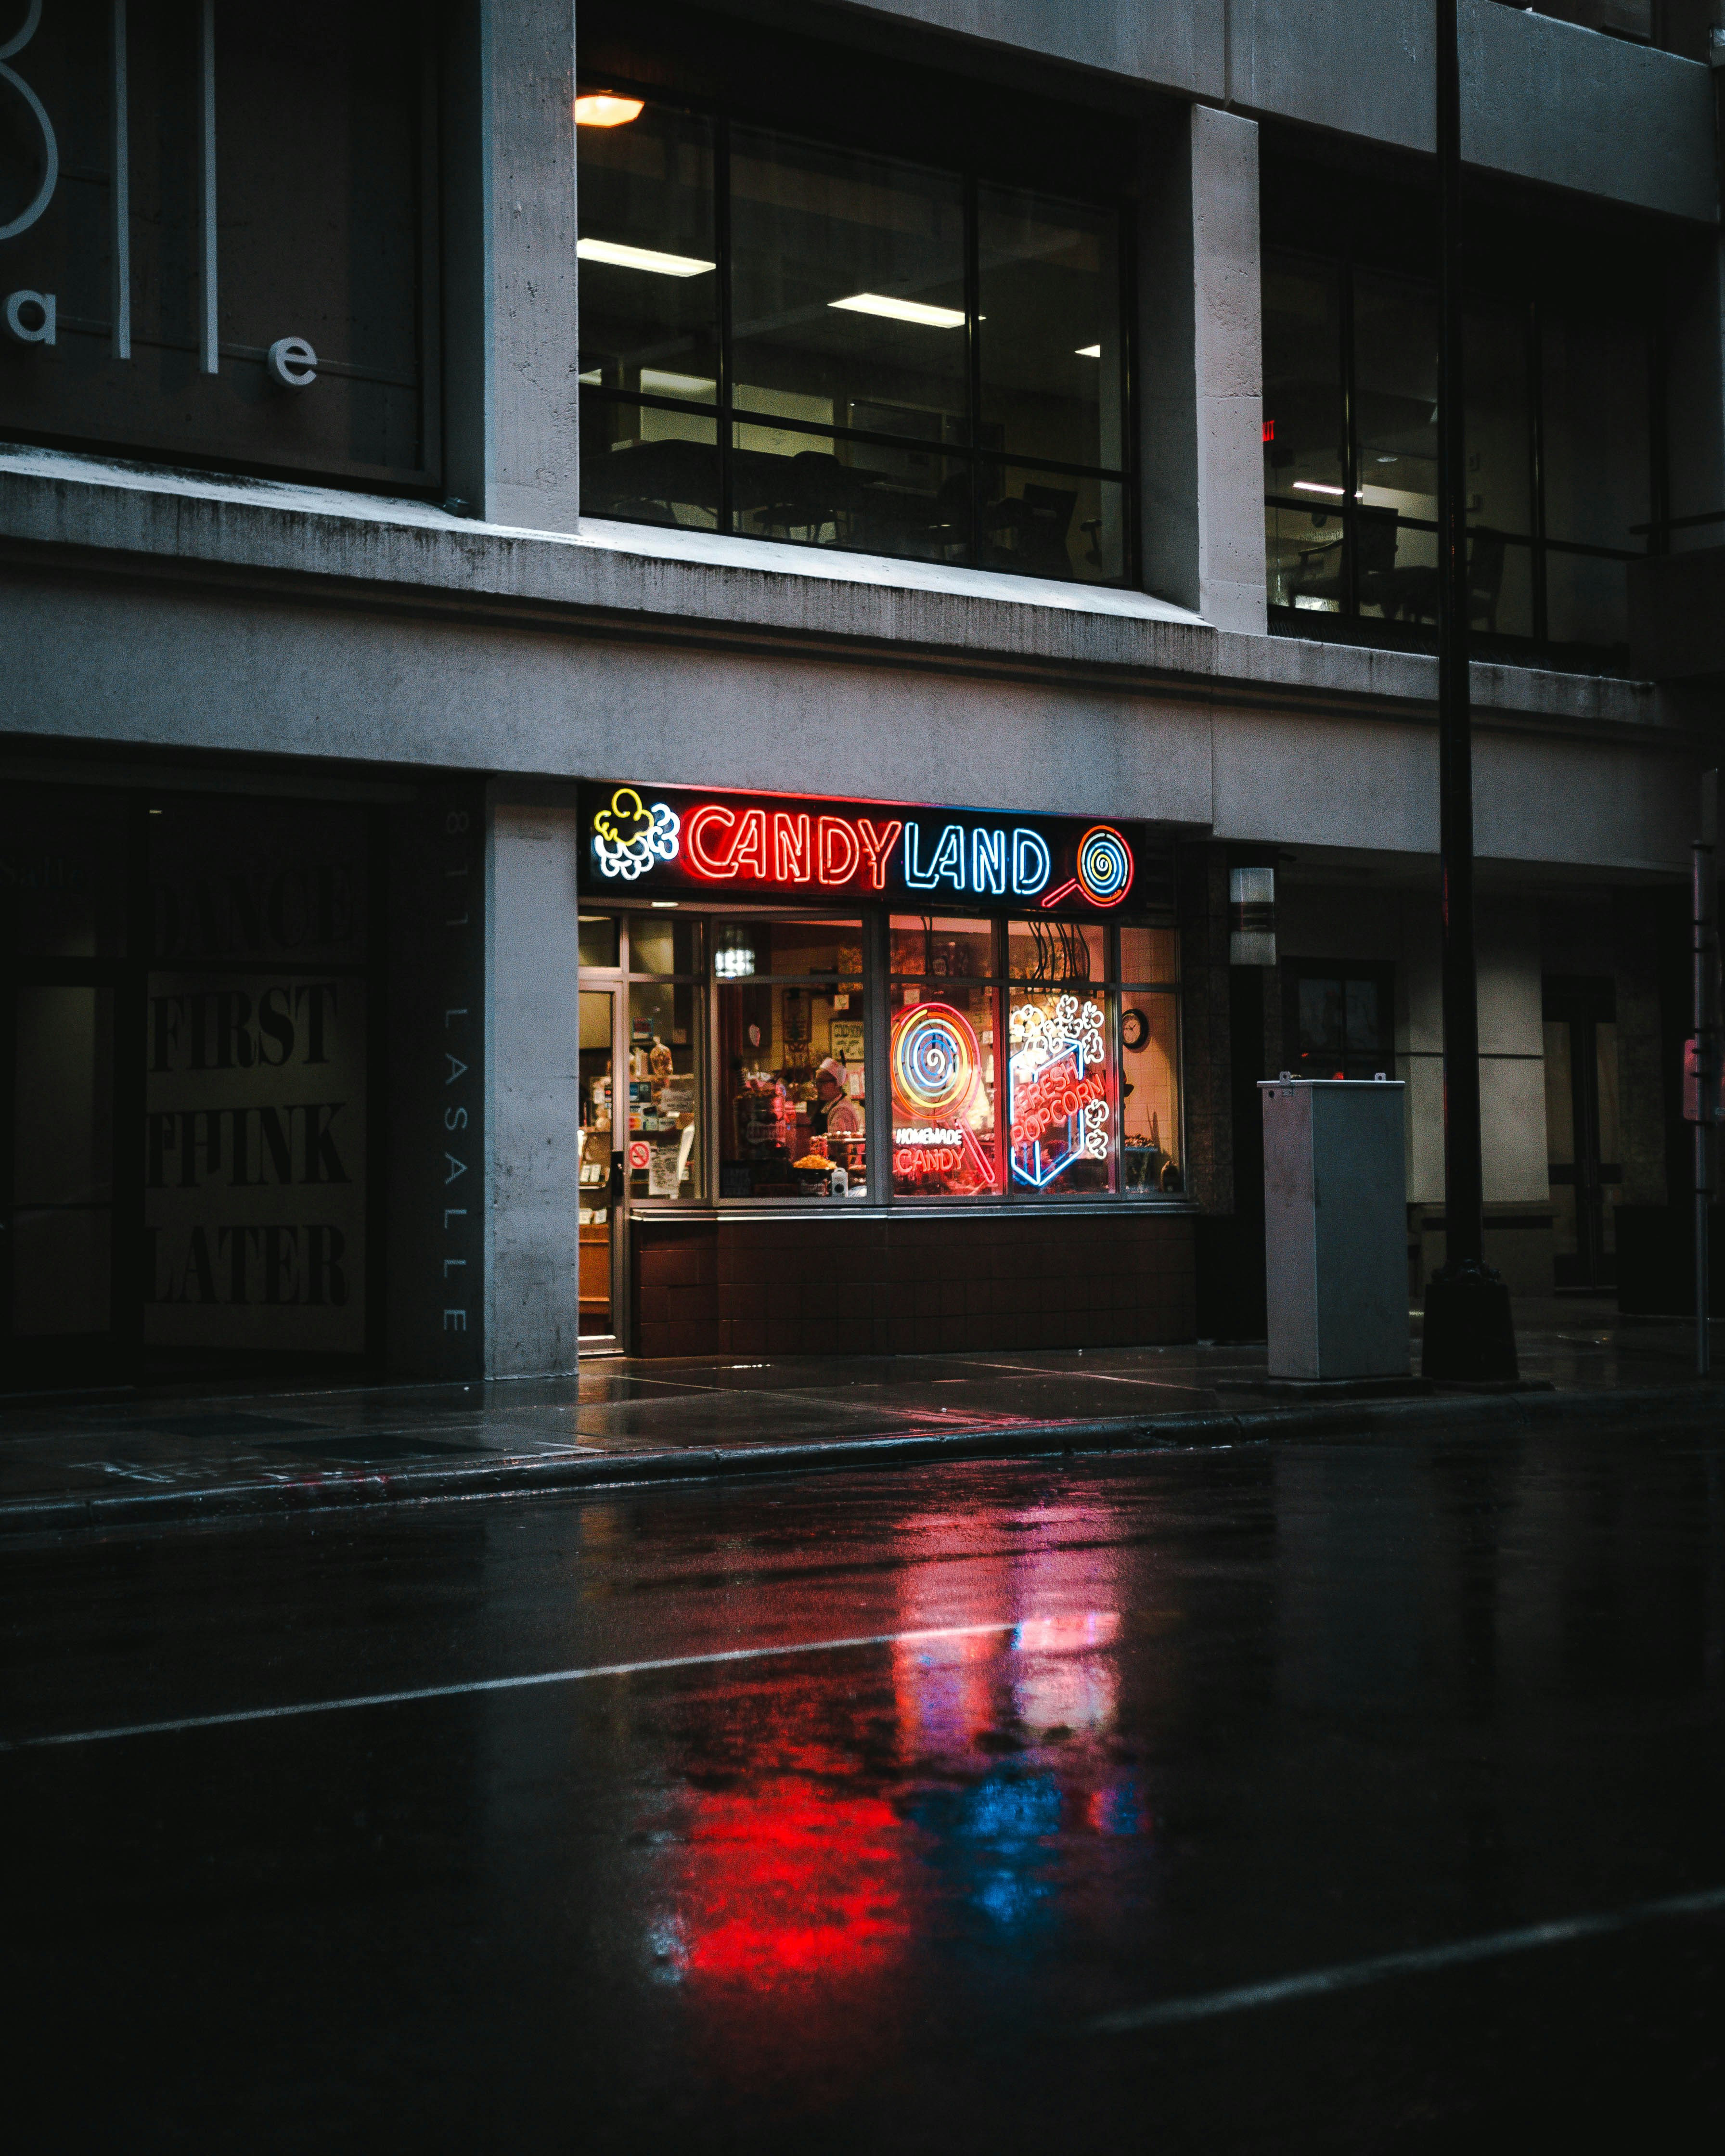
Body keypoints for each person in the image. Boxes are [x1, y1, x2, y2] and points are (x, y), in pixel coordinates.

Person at [811, 1056, 862, 1141]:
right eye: (816, 1083)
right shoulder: (829, 1105)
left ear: (836, 1083)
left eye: (822, 1082)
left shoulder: (842, 1110)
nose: (817, 1087)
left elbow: (839, 1146)